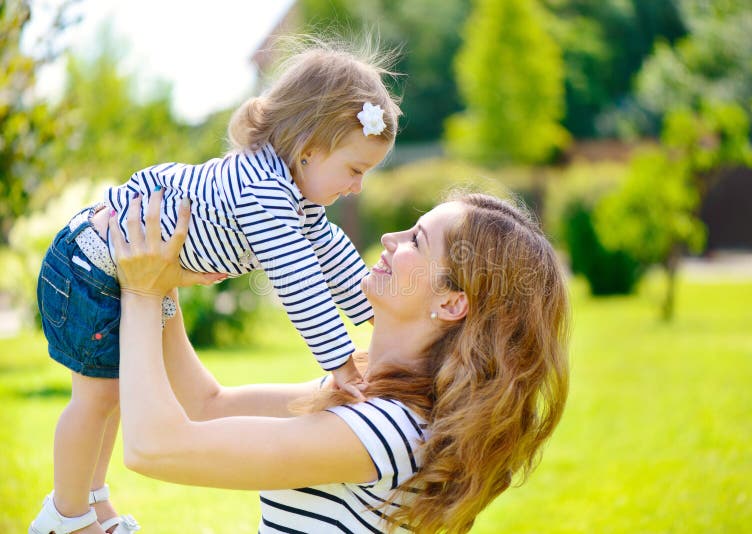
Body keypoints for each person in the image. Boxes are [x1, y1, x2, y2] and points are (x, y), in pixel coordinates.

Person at [30, 40, 401, 534]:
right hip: (90, 266)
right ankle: (64, 516)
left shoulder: (294, 194)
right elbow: (299, 281)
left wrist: (382, 317)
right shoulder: (262, 191)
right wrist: (340, 362)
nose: (357, 187)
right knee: (96, 398)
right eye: (355, 170)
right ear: (309, 147)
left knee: (113, 394)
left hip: (118, 269)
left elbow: (329, 255)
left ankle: (92, 503)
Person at [109, 190, 569, 533]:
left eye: (417, 240)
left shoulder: (390, 429)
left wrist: (142, 292)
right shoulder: (367, 391)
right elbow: (206, 406)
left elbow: (155, 448)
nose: (390, 238)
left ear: (451, 303)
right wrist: (163, 283)